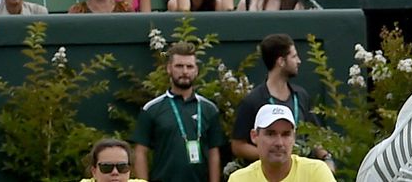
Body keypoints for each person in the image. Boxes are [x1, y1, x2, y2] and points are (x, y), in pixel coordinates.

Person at [133, 41, 226, 182]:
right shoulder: (151, 109)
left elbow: (214, 152)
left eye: (189, 66)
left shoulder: (209, 108)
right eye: (179, 66)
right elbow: (140, 152)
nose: (184, 71)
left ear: (196, 70)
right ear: (169, 68)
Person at [231, 34, 330, 163]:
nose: (299, 61)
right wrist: (274, 156)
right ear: (281, 61)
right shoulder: (252, 101)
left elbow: (315, 136)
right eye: (294, 56)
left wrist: (326, 158)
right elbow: (238, 146)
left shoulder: (301, 96)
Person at [228, 105, 333, 182]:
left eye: (286, 134)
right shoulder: (239, 179)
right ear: (255, 136)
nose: (279, 143)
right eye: (270, 134)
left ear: (294, 137)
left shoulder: (316, 172)